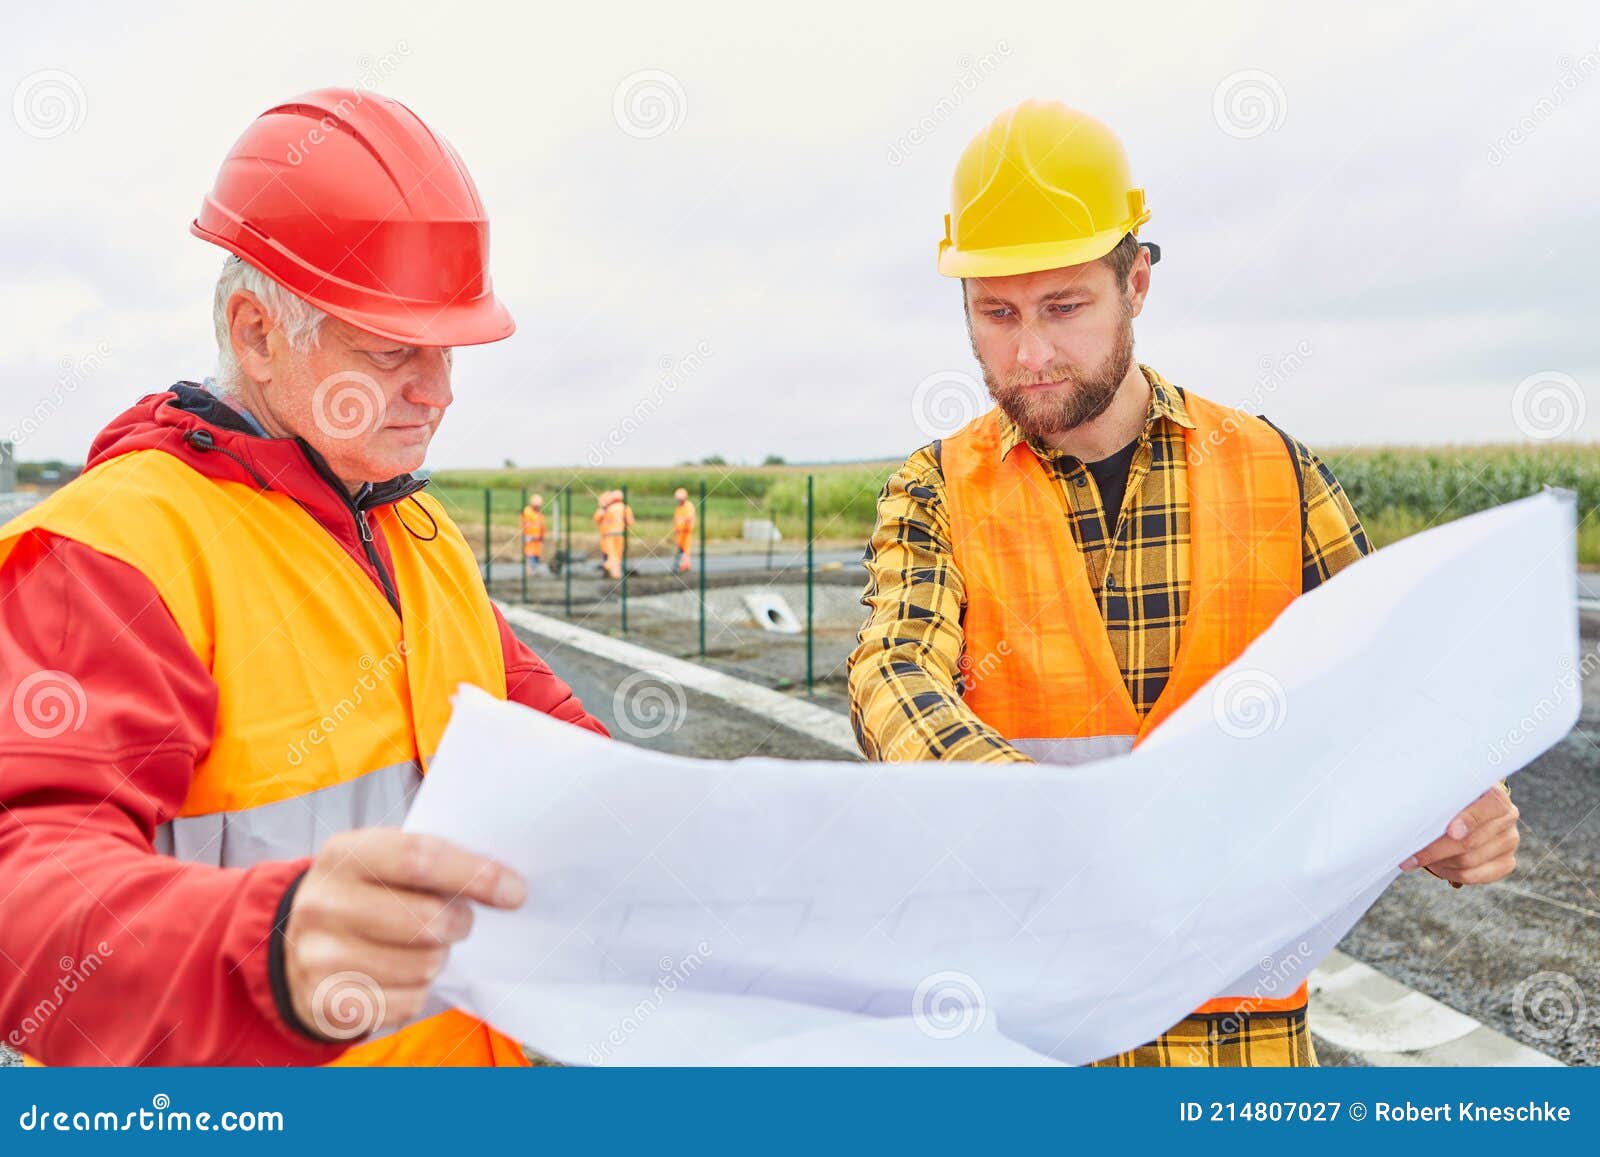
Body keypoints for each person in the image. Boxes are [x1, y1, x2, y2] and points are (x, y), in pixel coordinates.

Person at [846, 99, 1519, 1067]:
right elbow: (892, 676)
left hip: (1239, 1056)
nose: (1027, 353)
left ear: (1137, 282)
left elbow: (1397, 694)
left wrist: (1460, 799)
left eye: (1063, 306)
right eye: (995, 313)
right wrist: (1055, 827)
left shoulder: (1274, 473)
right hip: (1026, 1044)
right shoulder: (936, 491)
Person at [0, 88, 608, 1067]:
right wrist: (270, 944)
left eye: (449, 346)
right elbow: (23, 888)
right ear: (255, 331)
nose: (438, 391)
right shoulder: (116, 552)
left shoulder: (413, 528)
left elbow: (570, 758)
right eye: (390, 348)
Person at [594, 489, 634, 580]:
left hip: (608, 535)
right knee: (617, 555)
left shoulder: (607, 508)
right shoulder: (625, 508)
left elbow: (597, 519)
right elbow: (629, 521)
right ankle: (614, 572)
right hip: (620, 534)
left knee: (610, 554)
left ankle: (611, 571)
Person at [672, 486, 696, 573]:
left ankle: (684, 566)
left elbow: (688, 518)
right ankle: (680, 565)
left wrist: (682, 523)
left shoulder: (688, 506)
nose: (678, 500)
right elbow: (676, 519)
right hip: (679, 533)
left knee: (685, 550)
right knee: (681, 549)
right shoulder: (679, 507)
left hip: (686, 532)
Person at [522, 493, 547, 574]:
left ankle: (532, 572)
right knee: (529, 556)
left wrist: (541, 536)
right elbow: (526, 524)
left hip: (537, 540)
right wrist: (529, 535)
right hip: (530, 538)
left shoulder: (539, 514)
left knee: (535, 557)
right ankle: (528, 572)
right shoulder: (527, 511)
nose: (538, 507)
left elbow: (542, 526)